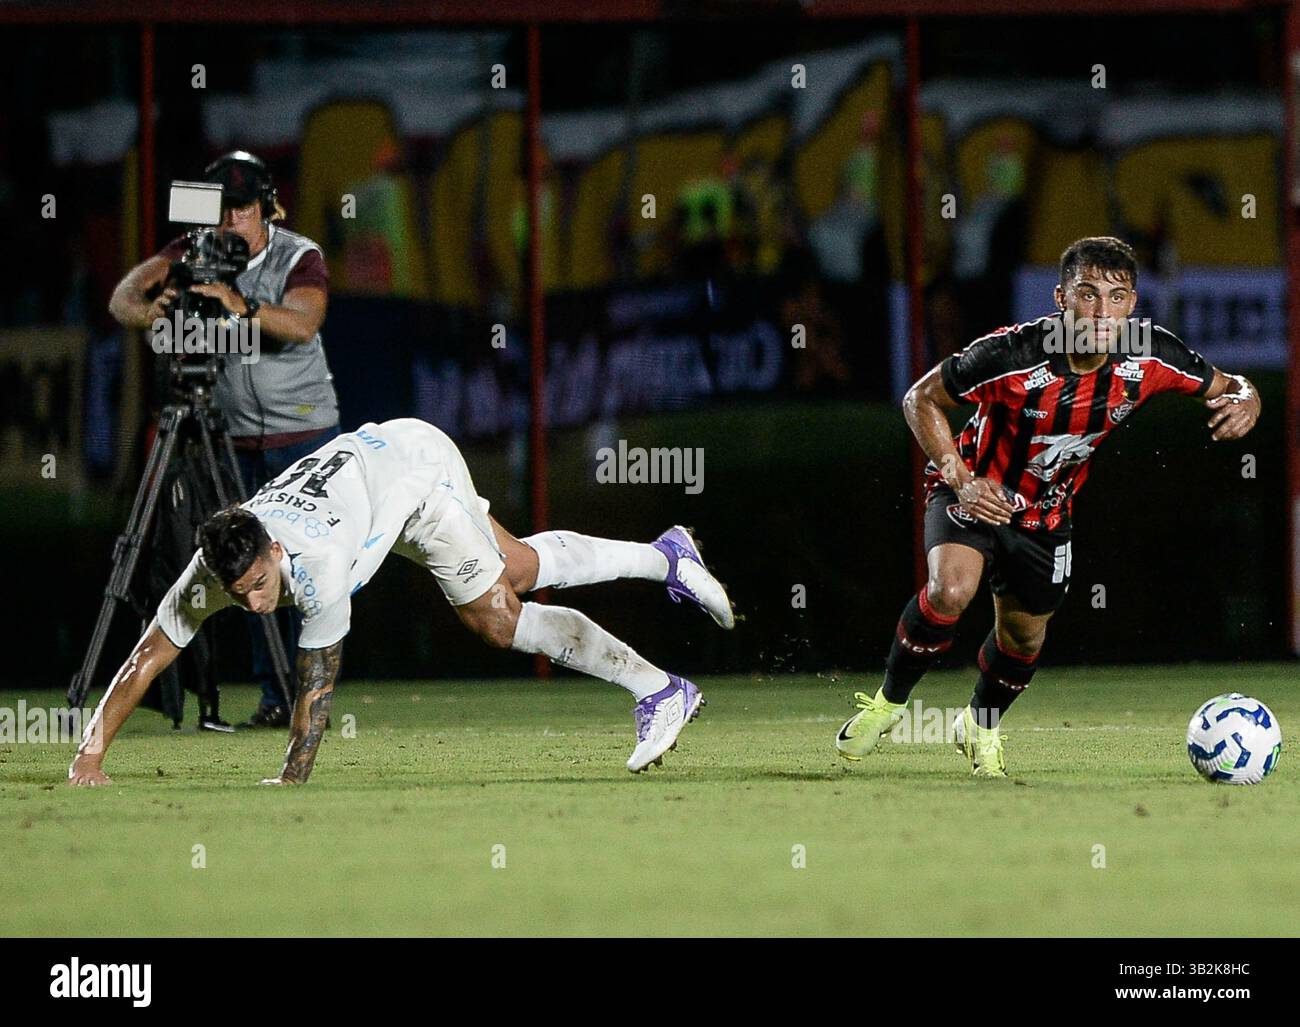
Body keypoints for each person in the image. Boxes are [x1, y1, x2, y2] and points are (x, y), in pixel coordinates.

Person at [68, 417, 735, 786]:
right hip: (380, 471)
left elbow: (315, 687)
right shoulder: (214, 564)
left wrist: (291, 778)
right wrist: (89, 755)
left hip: (414, 477)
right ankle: (666, 555)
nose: (254, 603)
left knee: (500, 618)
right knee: (522, 565)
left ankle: (658, 688)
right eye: (239, 594)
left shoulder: (319, 567)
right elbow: (144, 657)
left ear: (273, 551)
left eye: (261, 587)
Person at [834, 236, 1261, 777]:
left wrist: (1248, 399)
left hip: (1048, 516)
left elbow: (1233, 385)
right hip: (975, 491)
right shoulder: (1012, 353)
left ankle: (980, 725)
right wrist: (960, 478)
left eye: (1116, 295)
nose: (1101, 310)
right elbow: (920, 398)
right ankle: (890, 704)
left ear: (1132, 304)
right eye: (1087, 293)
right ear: (1061, 297)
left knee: (1024, 636)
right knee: (951, 589)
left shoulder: (1151, 356)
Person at [109, 150, 339, 728]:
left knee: (304, 569)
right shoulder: (193, 252)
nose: (230, 221)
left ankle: (310, 699)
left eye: (239, 208)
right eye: (221, 210)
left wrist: (241, 304)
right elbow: (123, 299)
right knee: (248, 568)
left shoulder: (298, 254)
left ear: (265, 207)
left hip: (303, 434)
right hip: (233, 439)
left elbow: (304, 321)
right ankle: (272, 699)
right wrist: (154, 312)